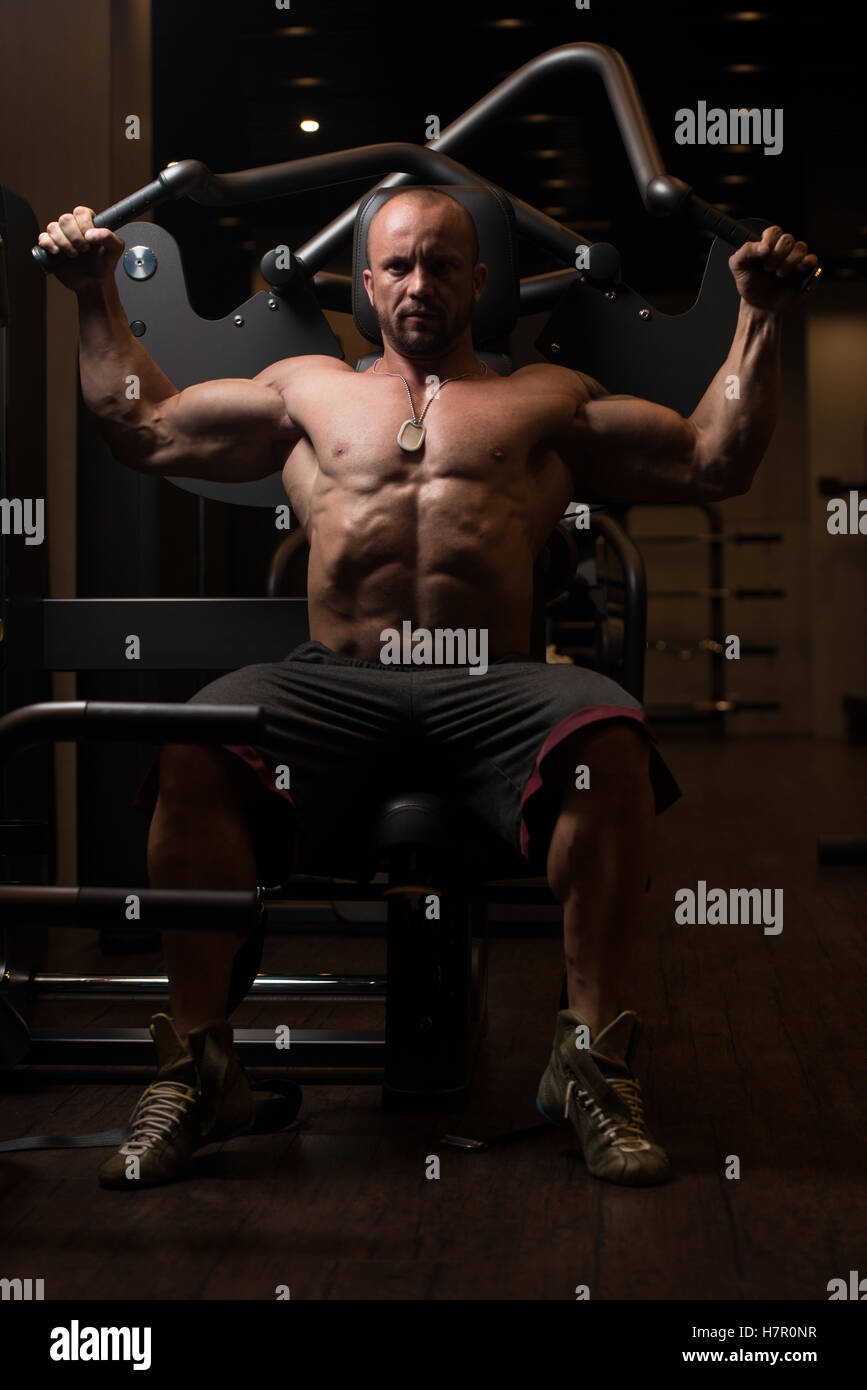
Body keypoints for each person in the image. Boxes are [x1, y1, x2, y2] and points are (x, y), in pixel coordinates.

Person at [38, 186, 816, 1190]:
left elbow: (716, 456)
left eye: (442, 263)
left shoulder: (548, 398)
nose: (418, 283)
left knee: (610, 735)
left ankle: (590, 1063)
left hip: (494, 679)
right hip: (339, 680)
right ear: (365, 283)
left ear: (479, 283)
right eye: (398, 264)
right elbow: (138, 428)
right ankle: (199, 1068)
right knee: (199, 740)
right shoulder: (304, 391)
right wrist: (92, 292)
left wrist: (760, 316)